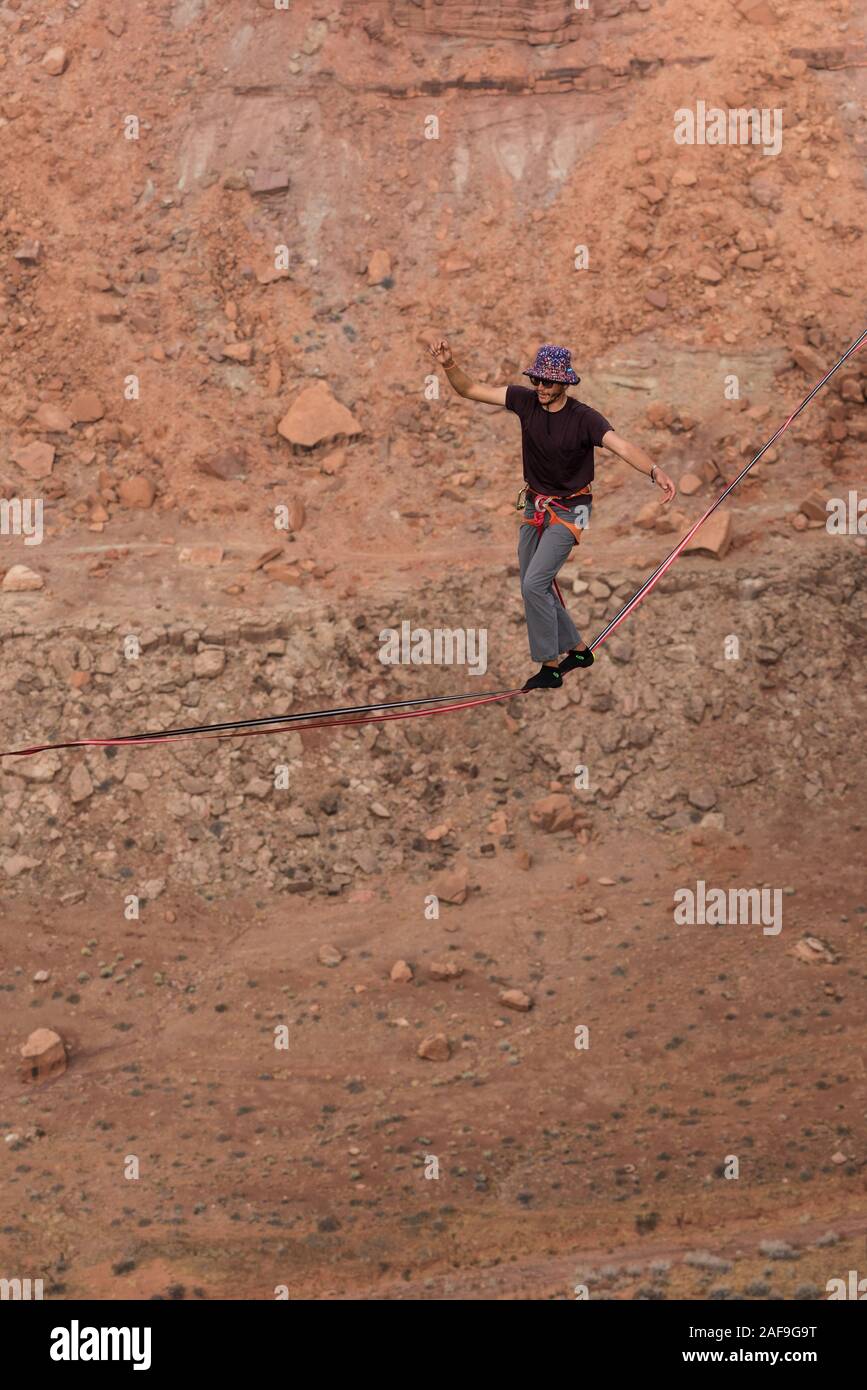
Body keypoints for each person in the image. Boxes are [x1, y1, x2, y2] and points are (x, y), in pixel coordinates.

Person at [428, 340, 676, 691]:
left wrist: (655, 472)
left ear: (564, 383)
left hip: (573, 510)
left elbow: (621, 446)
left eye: (547, 382)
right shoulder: (524, 400)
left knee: (534, 584)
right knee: (533, 585)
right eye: (537, 381)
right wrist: (449, 364)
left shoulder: (584, 418)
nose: (540, 388)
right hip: (535, 505)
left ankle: (550, 666)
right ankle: (577, 649)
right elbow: (470, 389)